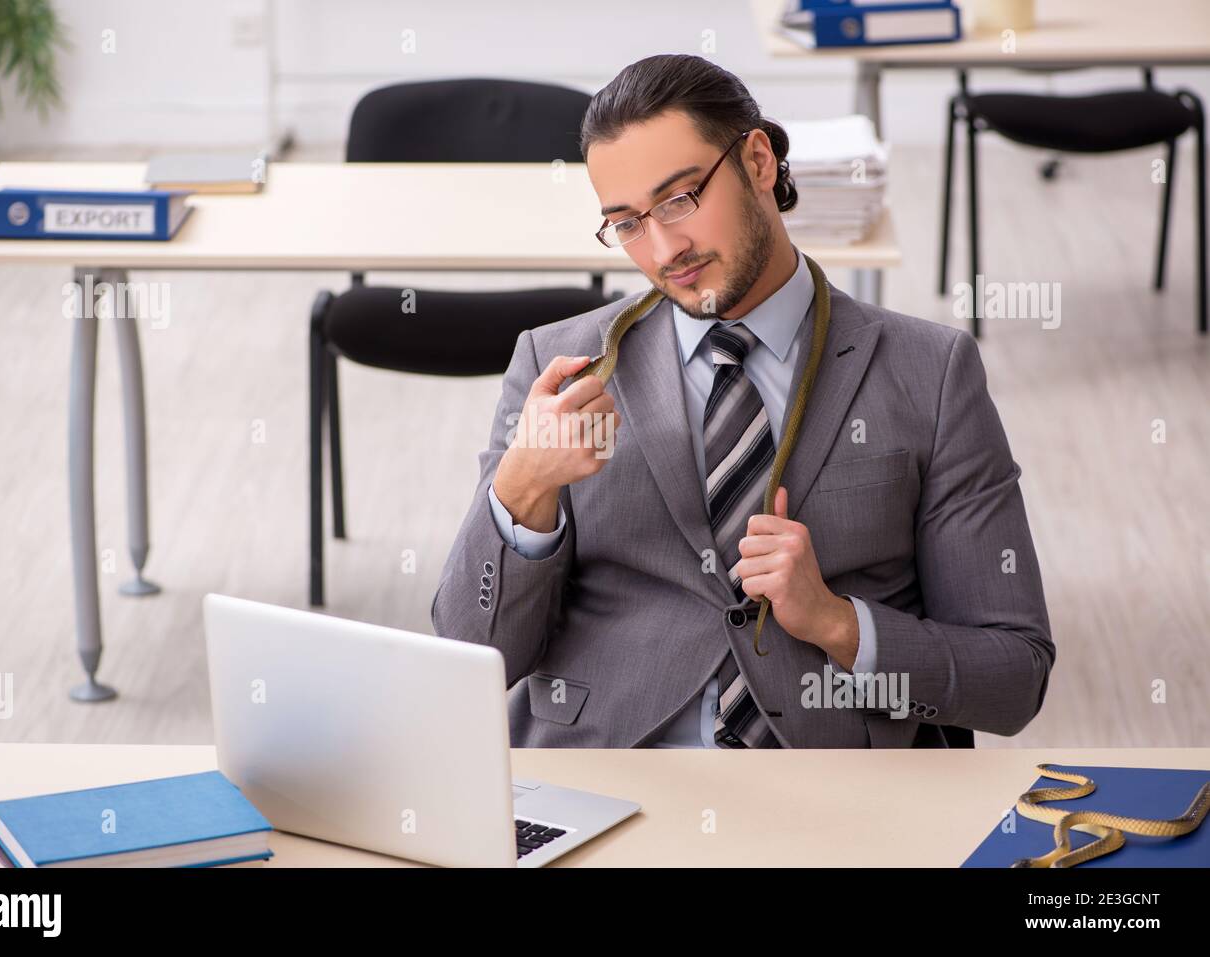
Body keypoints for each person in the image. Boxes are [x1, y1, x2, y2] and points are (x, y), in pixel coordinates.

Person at [431, 54, 1054, 749]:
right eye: (628, 223)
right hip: (608, 777)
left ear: (758, 160)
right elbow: (469, 662)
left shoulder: (930, 371)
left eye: (680, 199)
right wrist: (521, 489)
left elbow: (1014, 677)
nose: (666, 247)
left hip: (832, 791)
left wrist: (837, 623)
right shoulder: (556, 366)